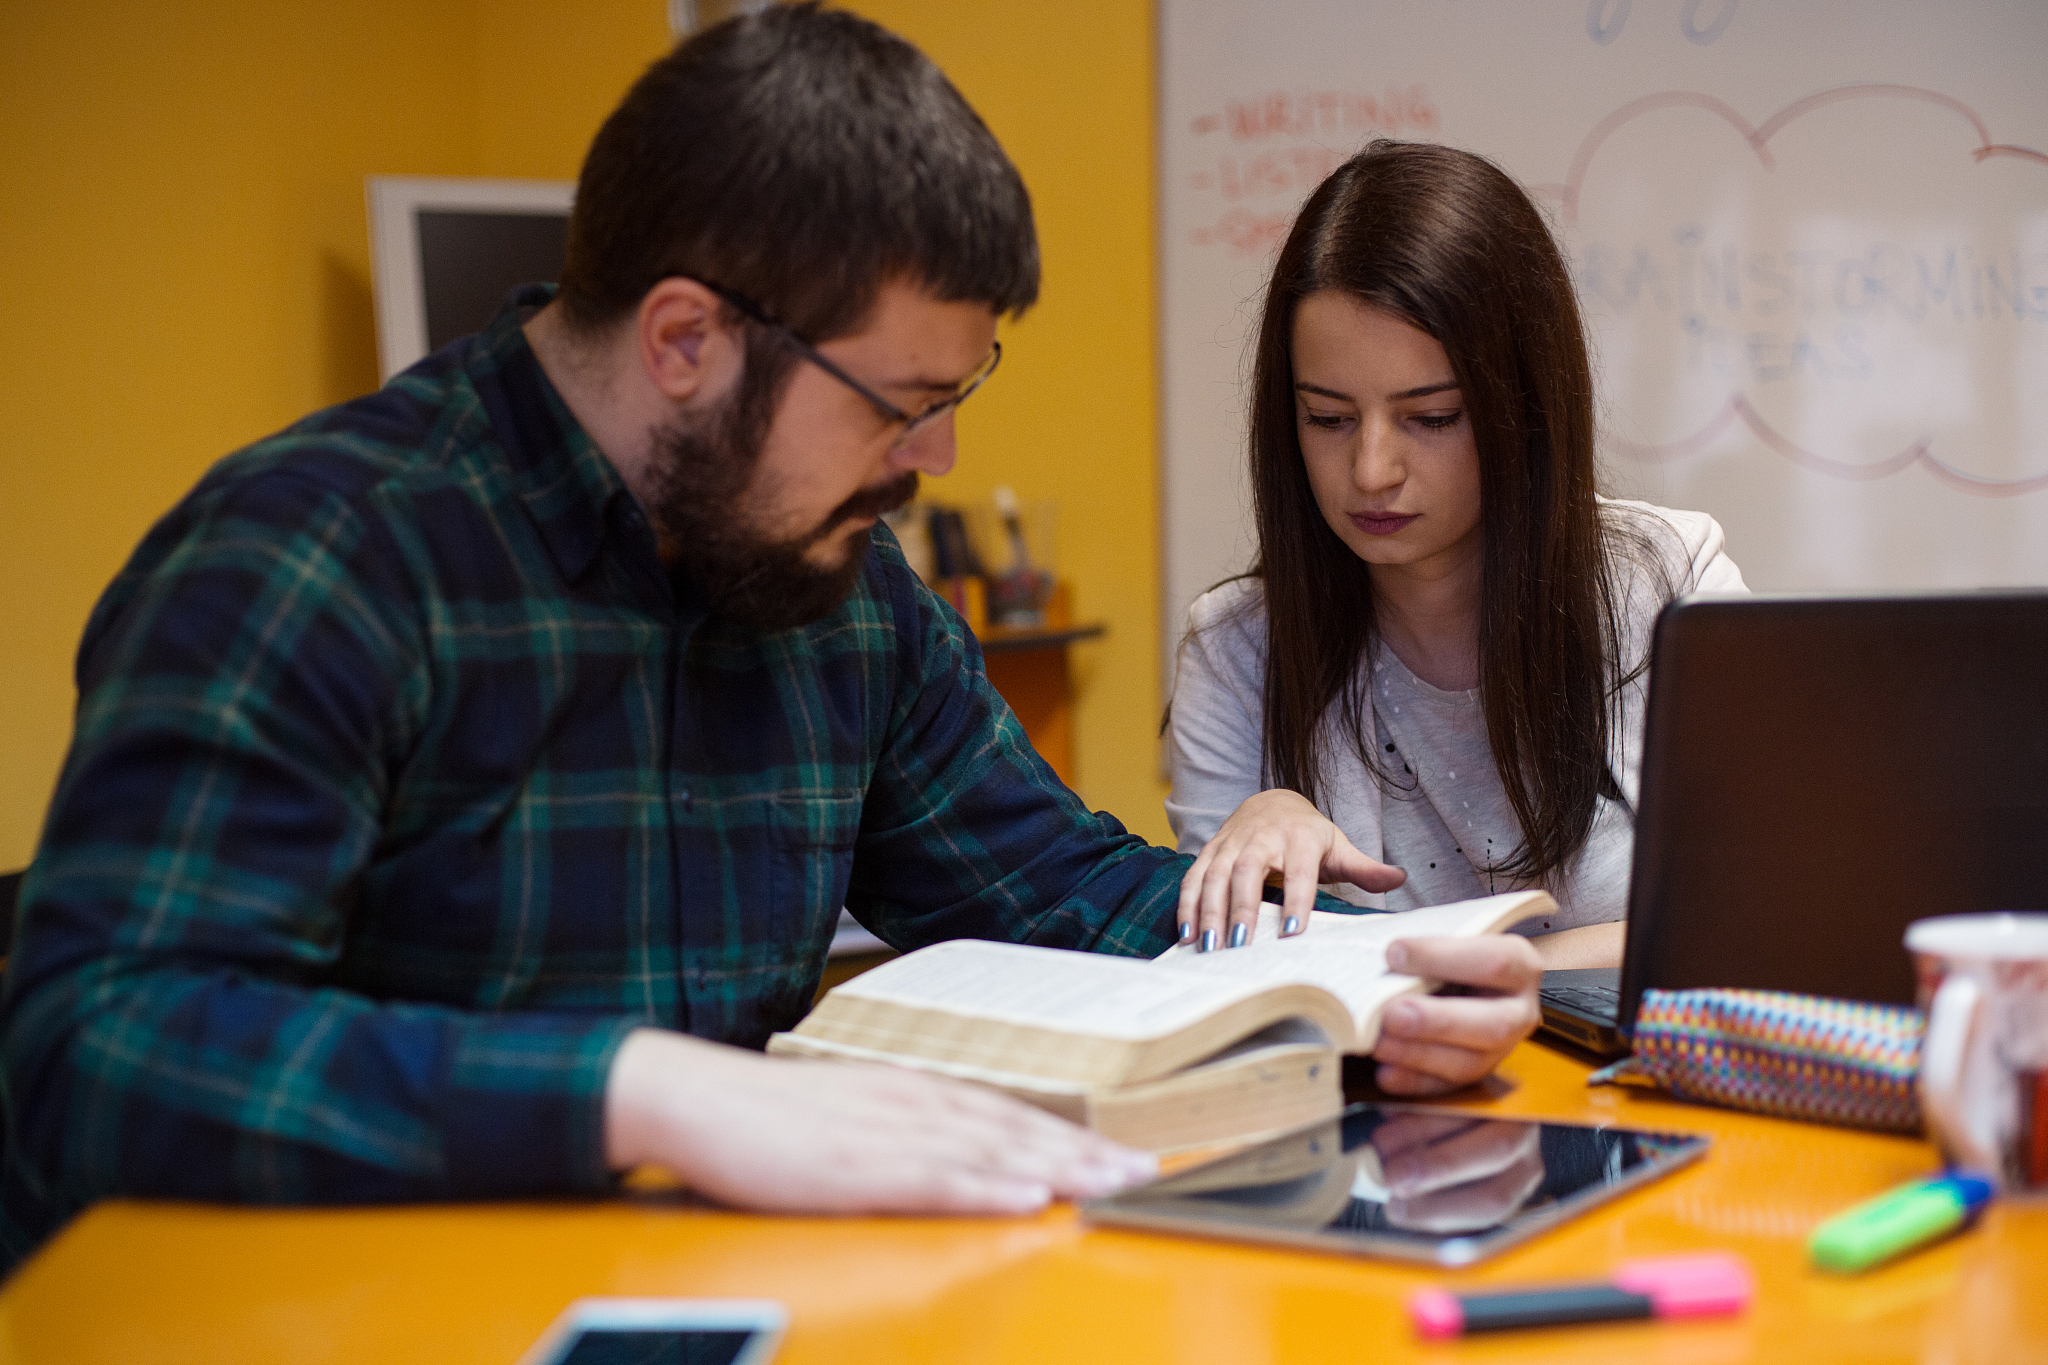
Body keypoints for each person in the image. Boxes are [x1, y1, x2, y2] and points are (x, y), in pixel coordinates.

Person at [0, 14, 1541, 1265]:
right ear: (685, 341)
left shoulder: (844, 594)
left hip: (718, 1289)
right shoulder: (318, 561)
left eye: (960, 398)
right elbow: (100, 1049)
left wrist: (1361, 980)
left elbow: (1062, 886)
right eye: (903, 405)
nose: (931, 465)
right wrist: (641, 1093)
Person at [1168, 140, 1746, 972]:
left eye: (1431, 417)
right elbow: (1233, 985)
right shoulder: (1235, 653)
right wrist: (1252, 849)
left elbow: (1757, 914)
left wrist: (1494, 972)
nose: (1371, 469)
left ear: (1524, 404)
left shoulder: (1668, 587)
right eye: (1328, 418)